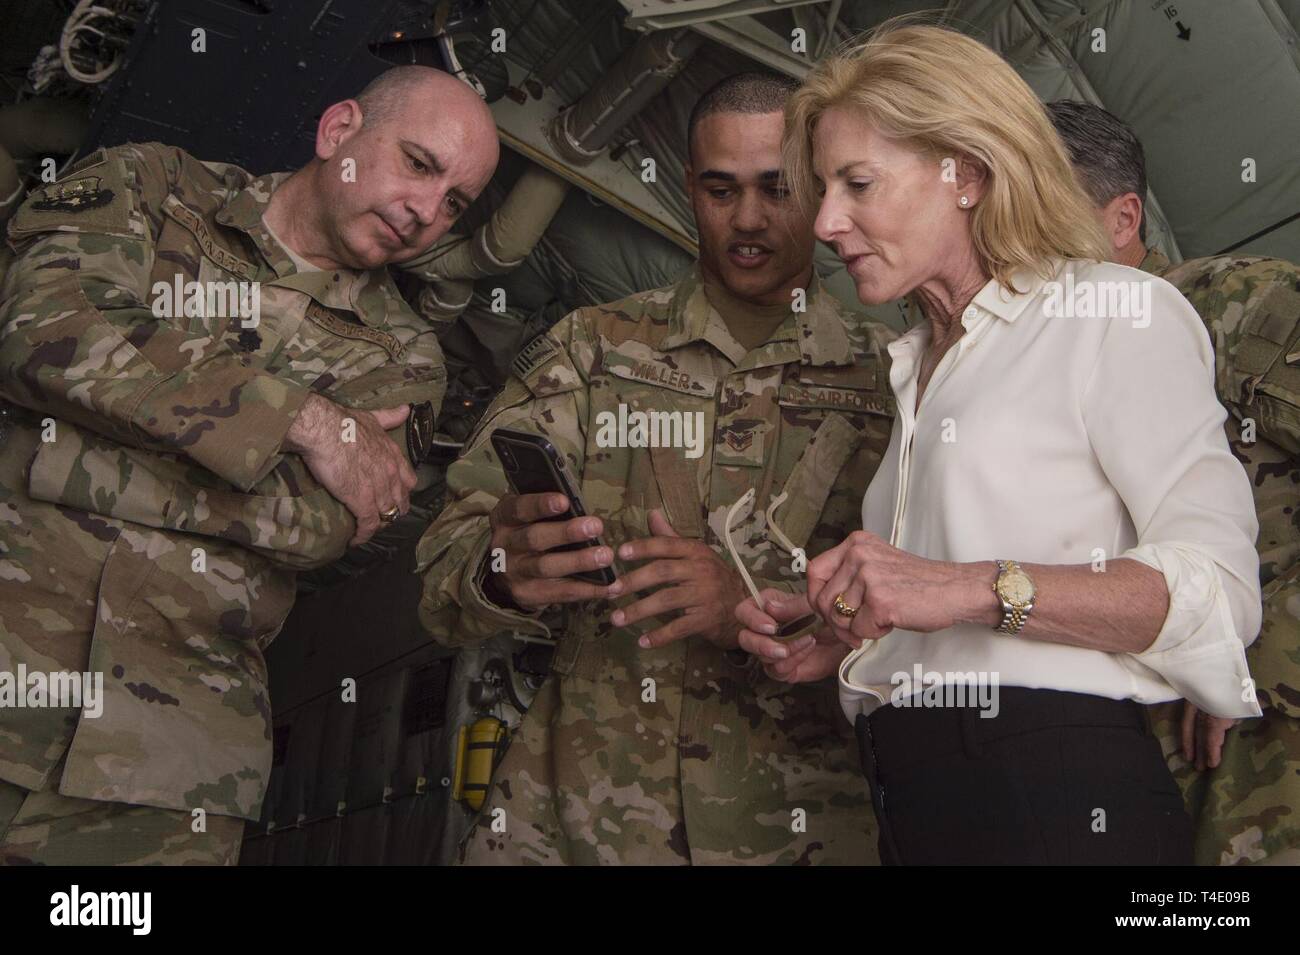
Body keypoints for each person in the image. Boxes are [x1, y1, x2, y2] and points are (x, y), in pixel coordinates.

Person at [736, 22, 1262, 865]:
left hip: (1055, 796)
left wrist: (965, 587)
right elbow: (947, 604)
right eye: (824, 188)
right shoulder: (917, 369)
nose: (826, 222)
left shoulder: (1111, 313)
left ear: (968, 175)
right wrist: (857, 628)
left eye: (858, 183)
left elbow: (1220, 594)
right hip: (911, 797)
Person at [0, 66, 499, 864]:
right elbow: (43, 335)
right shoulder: (152, 186)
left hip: (165, 770)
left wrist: (63, 455)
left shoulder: (405, 358)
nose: (426, 212)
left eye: (456, 203)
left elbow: (318, 527)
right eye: (418, 163)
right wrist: (302, 418)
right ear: (339, 132)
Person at [416, 72, 897, 865]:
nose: (746, 220)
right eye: (719, 189)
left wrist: (748, 602)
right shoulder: (594, 348)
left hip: (799, 829)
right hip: (575, 822)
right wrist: (503, 566)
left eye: (775, 189)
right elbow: (441, 572)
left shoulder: (892, 380)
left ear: (818, 190)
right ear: (687, 189)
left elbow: (937, 613)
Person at [1048, 98, 1300, 865]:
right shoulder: (1037, 368)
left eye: (1033, 213)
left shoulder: (1236, 303)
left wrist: (1248, 658)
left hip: (1264, 739)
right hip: (1132, 750)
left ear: (1122, 221)